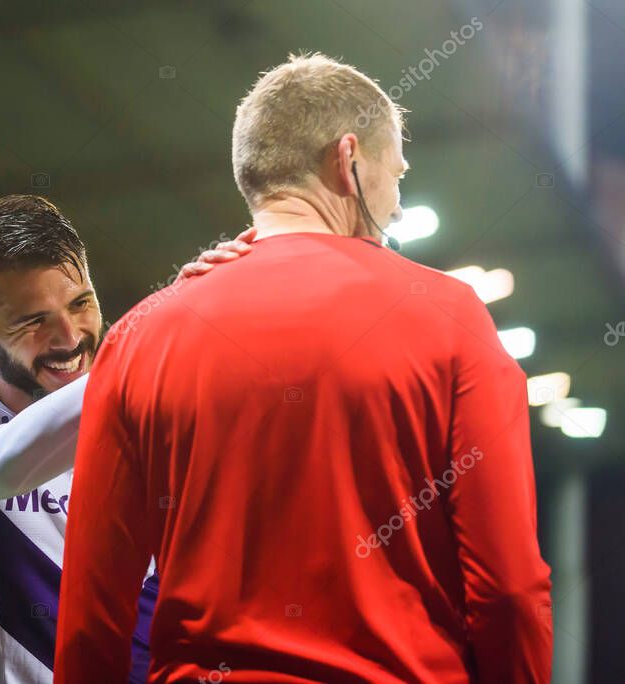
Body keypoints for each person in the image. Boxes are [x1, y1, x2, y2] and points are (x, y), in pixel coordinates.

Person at [55, 53, 553, 684]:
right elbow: (509, 587)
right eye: (395, 176)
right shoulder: (452, 317)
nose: (396, 207)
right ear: (349, 161)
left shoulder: (137, 338)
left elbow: (91, 606)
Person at [0, 194, 252, 683]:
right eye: (33, 321)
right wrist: (158, 331)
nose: (69, 337)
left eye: (81, 303)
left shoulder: (147, 410)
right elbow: (2, 465)